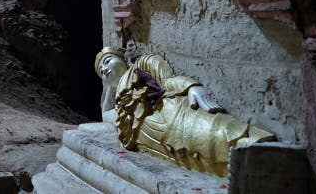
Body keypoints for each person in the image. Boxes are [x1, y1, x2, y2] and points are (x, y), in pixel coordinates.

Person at [95, 47, 275, 177]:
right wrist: (110, 87)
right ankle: (250, 172)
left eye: (107, 61)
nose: (105, 69)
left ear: (123, 58)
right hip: (153, 141)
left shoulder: (142, 64)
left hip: (172, 114)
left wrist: (191, 87)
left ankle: (259, 147)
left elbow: (167, 80)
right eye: (101, 72)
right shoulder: (119, 108)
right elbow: (105, 115)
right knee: (196, 159)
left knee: (210, 133)